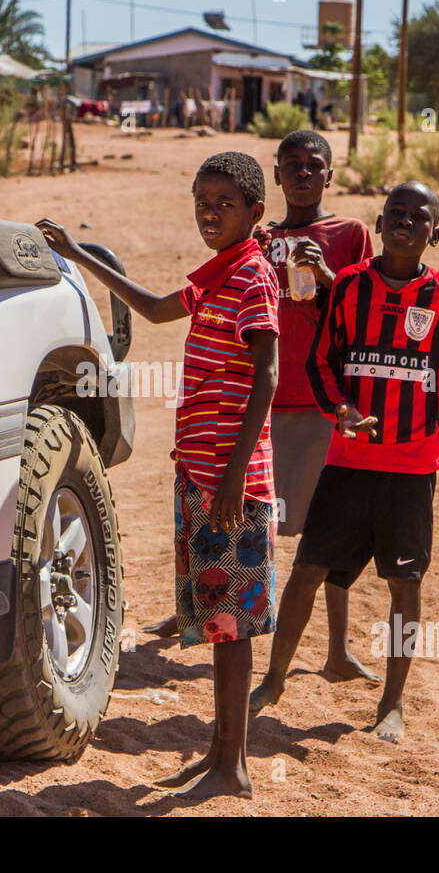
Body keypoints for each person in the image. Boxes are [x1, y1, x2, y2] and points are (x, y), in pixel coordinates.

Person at [37, 151, 280, 799]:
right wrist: (80, 257)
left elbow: (268, 375)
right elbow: (152, 309)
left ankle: (233, 766)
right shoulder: (216, 275)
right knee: (216, 622)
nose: (209, 213)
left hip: (234, 483)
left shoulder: (253, 278)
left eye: (224, 204)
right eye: (202, 201)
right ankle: (219, 754)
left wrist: (232, 479)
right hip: (201, 475)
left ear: (256, 213)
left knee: (232, 628)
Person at [249, 181, 439, 743]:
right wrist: (341, 410)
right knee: (307, 570)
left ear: (434, 233)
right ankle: (274, 679)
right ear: (377, 223)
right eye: (394, 212)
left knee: (405, 583)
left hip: (412, 468)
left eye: (417, 217)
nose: (405, 221)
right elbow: (323, 362)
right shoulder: (348, 287)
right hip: (347, 462)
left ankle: (391, 704)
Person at [145, 130, 377, 681]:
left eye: (313, 165)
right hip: (265, 407)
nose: (302, 173)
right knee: (259, 527)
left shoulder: (348, 233)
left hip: (323, 399)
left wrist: (324, 276)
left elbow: (362, 312)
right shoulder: (258, 241)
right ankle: (204, 611)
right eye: (291, 164)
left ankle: (335, 649)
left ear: (330, 173)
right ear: (274, 178)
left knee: (328, 530)